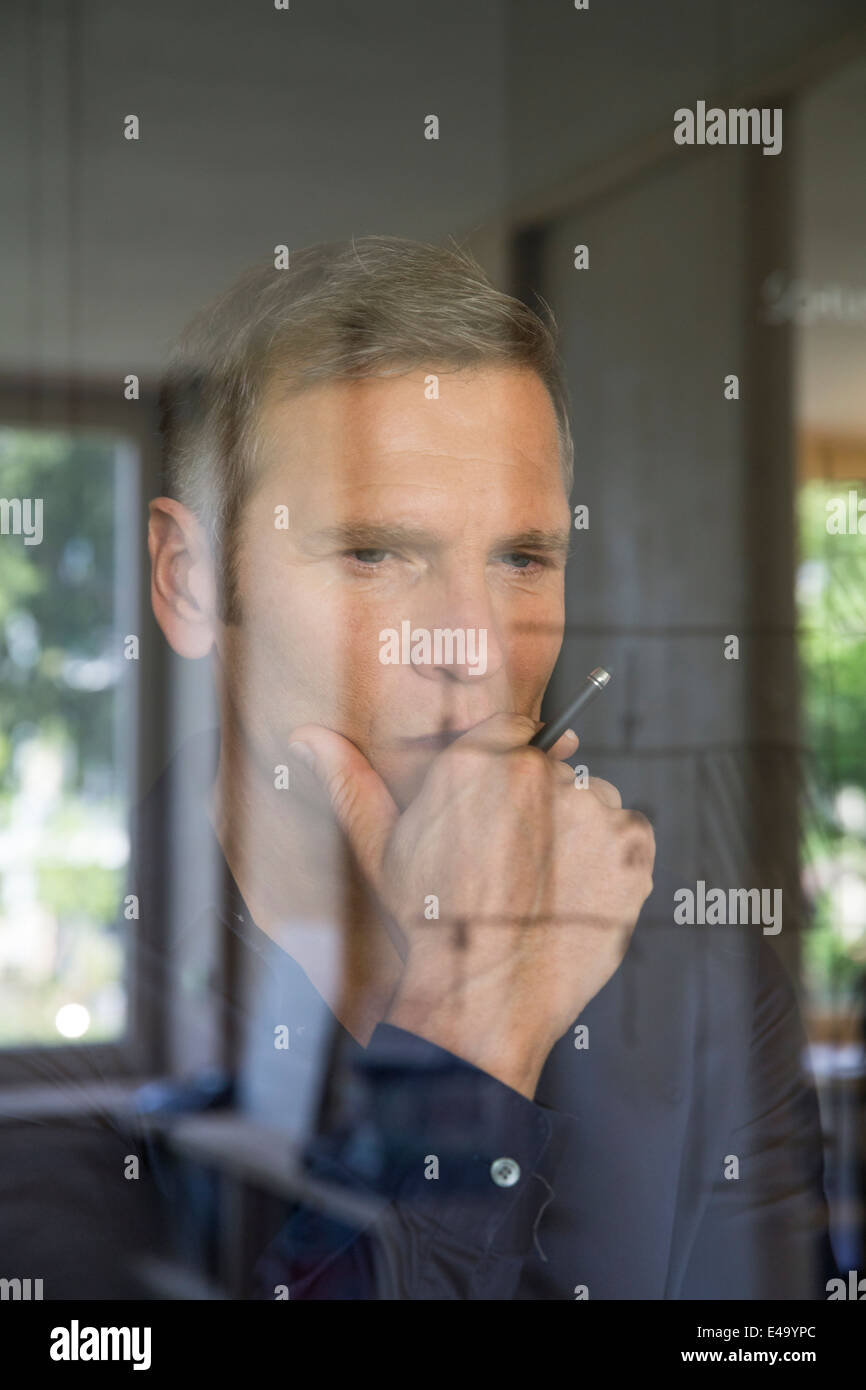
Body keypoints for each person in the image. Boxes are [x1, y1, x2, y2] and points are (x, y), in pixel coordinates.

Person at [142, 234, 835, 1298]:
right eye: (374, 553)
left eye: (521, 560)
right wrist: (462, 1035)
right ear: (191, 584)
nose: (471, 646)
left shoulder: (702, 986)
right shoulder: (96, 995)